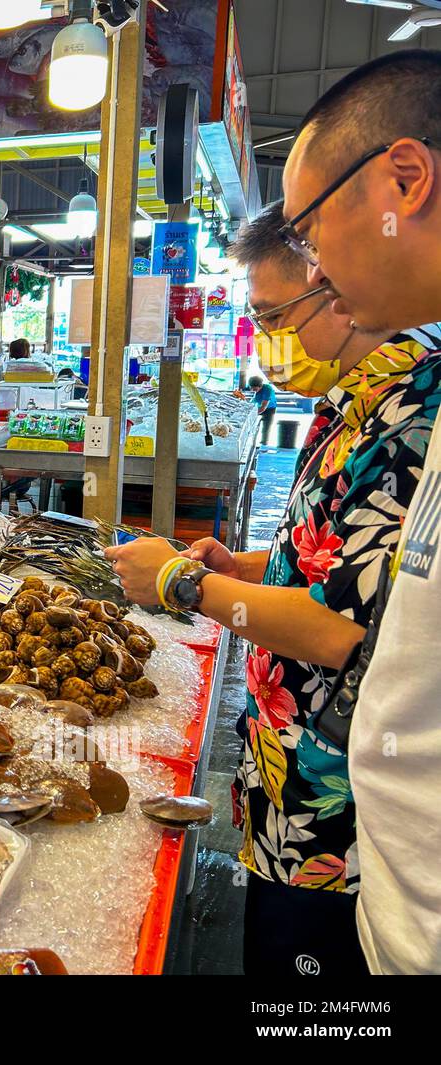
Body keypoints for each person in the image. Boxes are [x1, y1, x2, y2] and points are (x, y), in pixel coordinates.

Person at [103, 201, 441, 977]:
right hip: (281, 779)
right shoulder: (347, 405)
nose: (265, 340)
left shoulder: (410, 421)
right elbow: (339, 565)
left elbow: (334, 628)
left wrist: (180, 581)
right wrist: (243, 568)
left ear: (339, 289)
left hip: (335, 814)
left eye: (272, 314)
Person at [282, 48, 441, 975]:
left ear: (405, 179)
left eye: (309, 228)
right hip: (394, 916)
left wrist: (188, 583)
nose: (313, 265)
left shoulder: (410, 403)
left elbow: (348, 630)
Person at [248, 375, 277, 446]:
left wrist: (252, 415)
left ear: (260, 387)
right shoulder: (249, 387)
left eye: (255, 389)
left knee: (266, 428)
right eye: (251, 388)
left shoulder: (268, 389)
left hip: (269, 409)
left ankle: (264, 444)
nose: (252, 391)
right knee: (253, 427)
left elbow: (263, 407)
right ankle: (252, 443)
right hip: (256, 407)